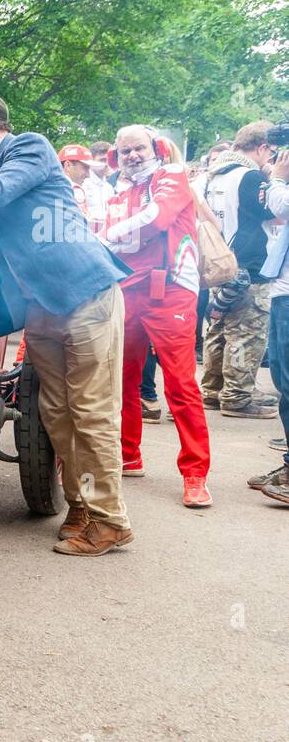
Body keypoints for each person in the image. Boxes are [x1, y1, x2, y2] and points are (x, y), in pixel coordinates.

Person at [0, 92, 131, 556]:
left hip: (85, 294)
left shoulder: (29, 147)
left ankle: (111, 520)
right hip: (43, 306)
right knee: (57, 413)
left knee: (91, 411)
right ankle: (82, 506)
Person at [102, 126, 211, 507]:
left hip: (172, 293)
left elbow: (158, 218)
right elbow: (116, 237)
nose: (132, 155)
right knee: (123, 381)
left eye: (139, 148)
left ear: (158, 149)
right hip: (128, 291)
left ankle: (195, 474)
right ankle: (128, 455)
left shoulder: (173, 176)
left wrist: (108, 235)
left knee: (180, 385)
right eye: (125, 150)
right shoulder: (117, 190)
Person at [201, 121, 282, 417]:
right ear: (262, 147)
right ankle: (237, 396)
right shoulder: (249, 176)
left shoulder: (214, 174)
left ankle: (213, 390)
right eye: (270, 153)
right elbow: (276, 214)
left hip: (221, 263)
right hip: (249, 264)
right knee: (246, 331)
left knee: (219, 329)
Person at [249, 147, 289, 502]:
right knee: (282, 379)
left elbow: (283, 206)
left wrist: (277, 177)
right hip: (283, 290)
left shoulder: (280, 185)